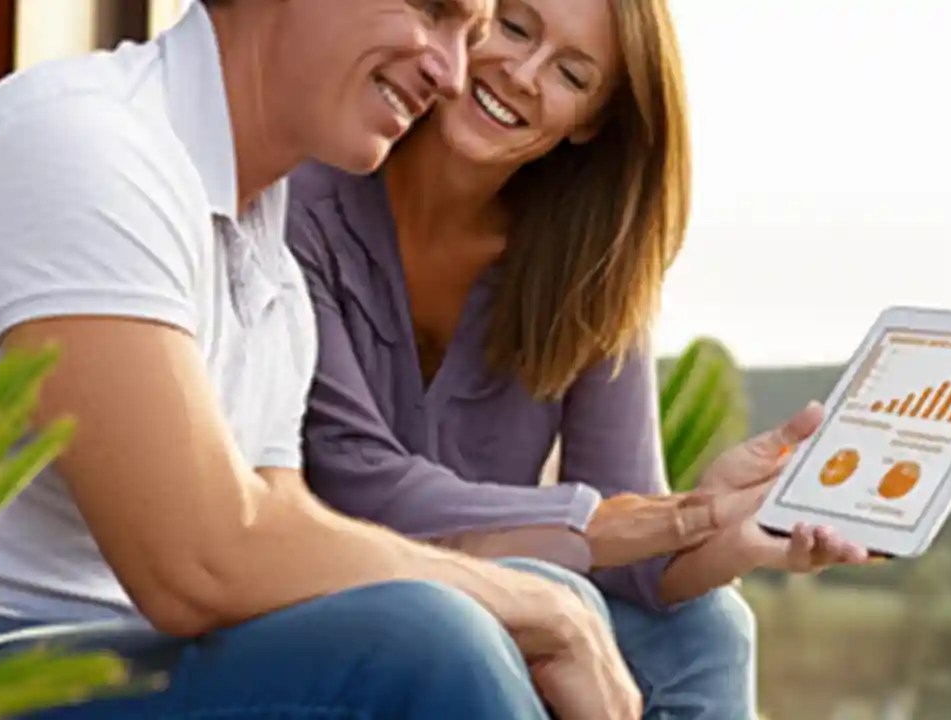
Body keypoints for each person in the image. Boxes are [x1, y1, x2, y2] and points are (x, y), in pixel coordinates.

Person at [0, 1, 645, 718]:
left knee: (529, 598)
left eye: (469, 32)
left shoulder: (267, 263)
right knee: (430, 641)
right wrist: (533, 608)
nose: (450, 73)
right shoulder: (86, 148)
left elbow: (275, 523)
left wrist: (536, 595)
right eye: (429, 9)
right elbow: (202, 564)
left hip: (114, 652)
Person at [286, 0, 873, 717]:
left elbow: (629, 544)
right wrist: (643, 520)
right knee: (548, 593)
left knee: (714, 627)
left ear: (590, 121)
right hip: (323, 583)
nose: (523, 74)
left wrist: (736, 531)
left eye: (571, 74)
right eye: (515, 28)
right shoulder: (308, 200)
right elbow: (357, 483)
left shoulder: (588, 269)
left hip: (490, 595)